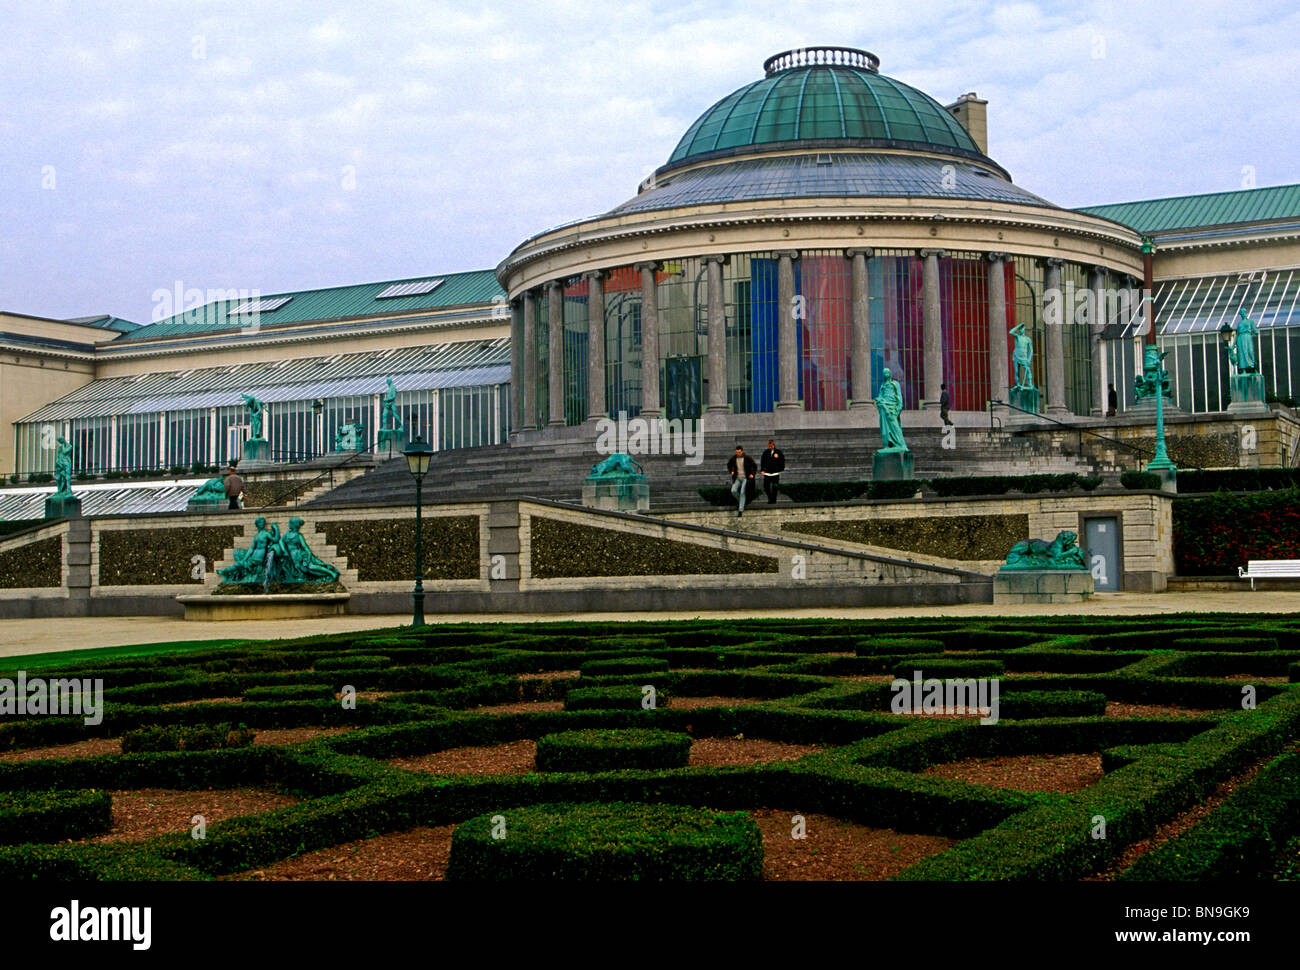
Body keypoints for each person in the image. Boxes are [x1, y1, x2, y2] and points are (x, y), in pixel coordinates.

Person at [727, 445, 757, 517]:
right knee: (733, 490)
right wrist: (731, 471)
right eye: (737, 452)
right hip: (737, 477)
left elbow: (754, 465)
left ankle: (740, 510)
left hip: (745, 477)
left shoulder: (747, 458)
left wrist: (752, 474)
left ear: (742, 451)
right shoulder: (734, 458)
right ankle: (742, 502)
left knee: (742, 492)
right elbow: (729, 464)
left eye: (739, 452)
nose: (738, 454)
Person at [759, 439, 785, 504]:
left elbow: (782, 461)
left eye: (771, 446)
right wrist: (762, 470)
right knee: (766, 486)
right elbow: (762, 461)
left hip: (775, 473)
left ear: (773, 445)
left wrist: (780, 469)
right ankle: (770, 498)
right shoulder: (765, 452)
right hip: (767, 473)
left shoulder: (778, 452)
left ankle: (773, 500)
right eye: (769, 446)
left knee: (775, 487)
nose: (770, 447)